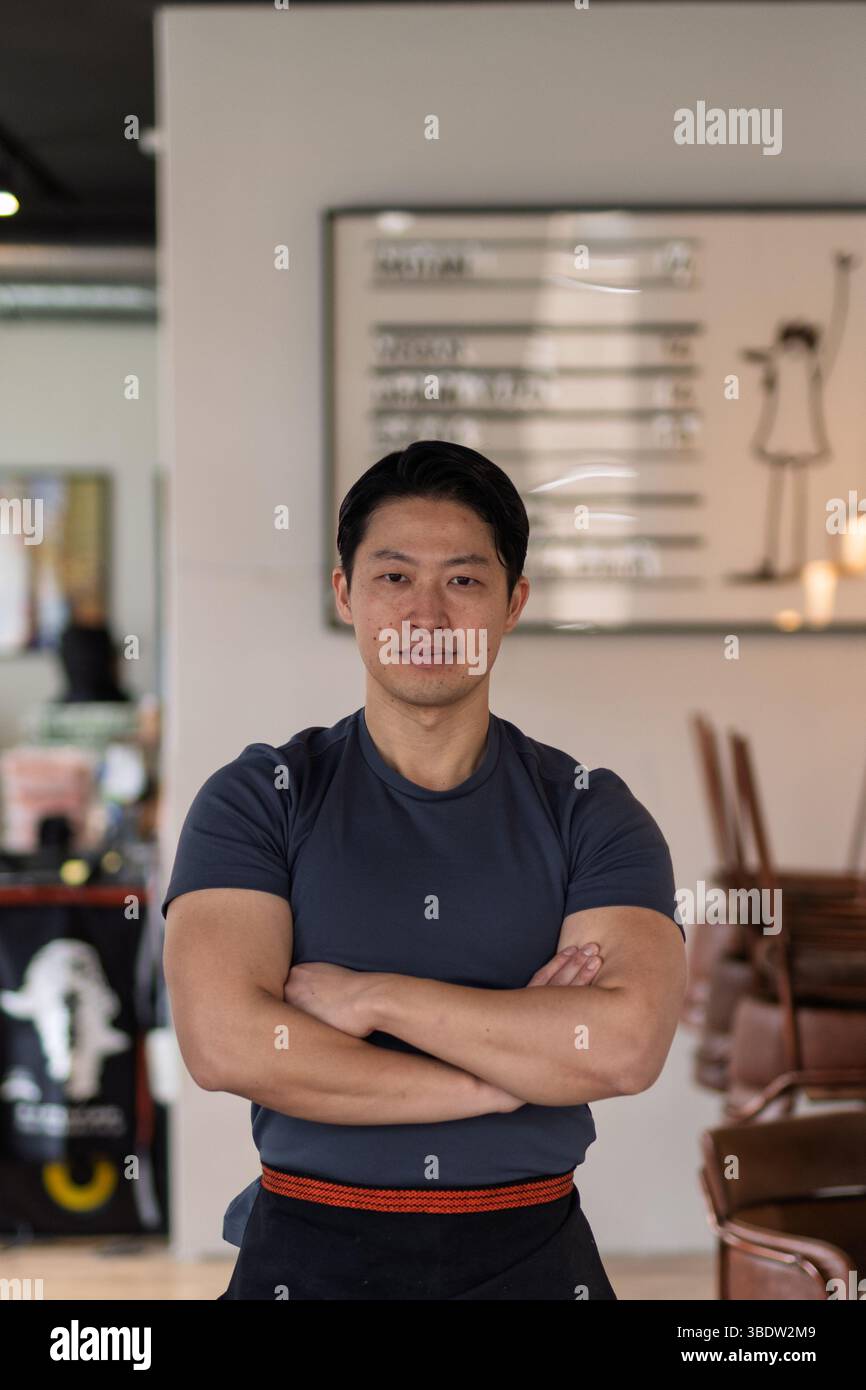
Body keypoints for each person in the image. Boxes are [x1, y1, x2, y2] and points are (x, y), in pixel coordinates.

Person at [161, 440, 687, 1300]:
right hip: (307, 1250)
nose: (428, 615)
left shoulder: (592, 810)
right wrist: (498, 1075)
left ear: (514, 602)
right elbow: (225, 1043)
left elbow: (624, 1047)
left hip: (532, 1255)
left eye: (466, 581)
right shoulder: (261, 798)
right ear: (346, 596)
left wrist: (376, 998)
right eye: (394, 577)